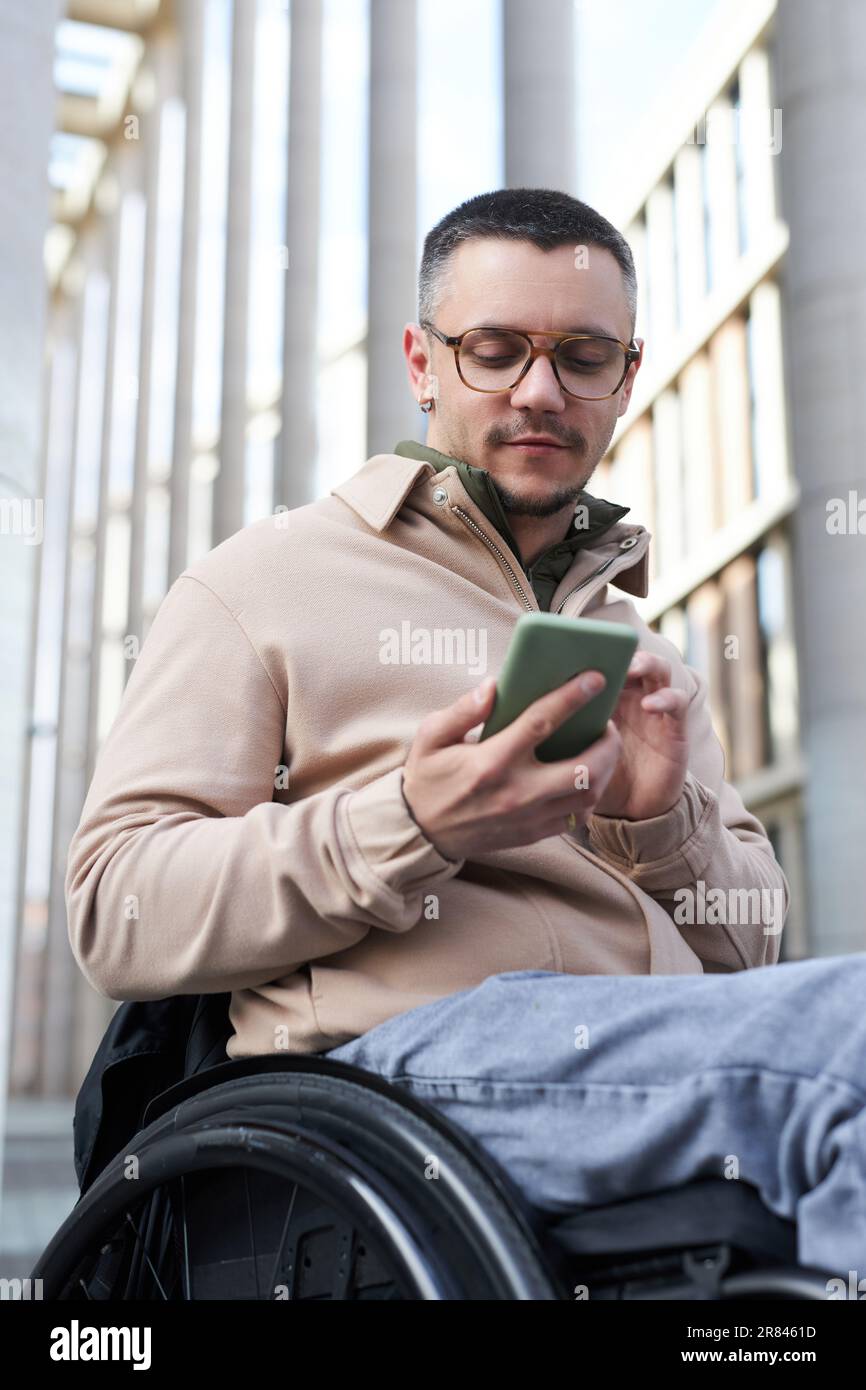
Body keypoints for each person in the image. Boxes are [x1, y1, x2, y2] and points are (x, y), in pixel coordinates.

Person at [65, 188, 864, 1284]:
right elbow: (118, 906)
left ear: (625, 379)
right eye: (493, 349)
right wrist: (411, 821)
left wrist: (657, 821)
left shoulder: (634, 645)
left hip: (644, 1073)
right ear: (421, 360)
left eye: (583, 355)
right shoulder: (264, 580)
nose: (538, 390)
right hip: (403, 1087)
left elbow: (747, 956)